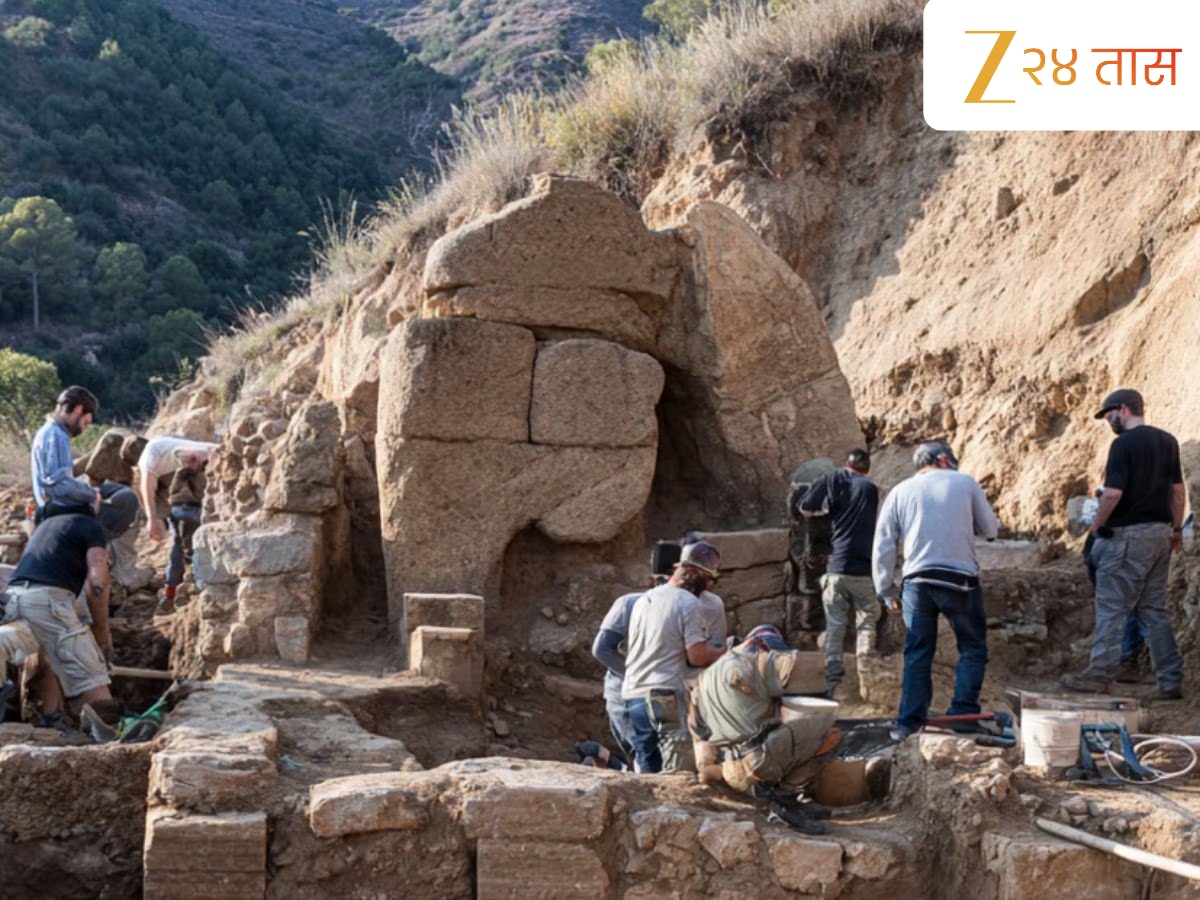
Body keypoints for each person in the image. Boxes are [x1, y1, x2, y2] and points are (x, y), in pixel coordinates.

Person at [872, 441, 1000, 740]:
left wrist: (886, 589)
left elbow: (883, 543)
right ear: (944, 459)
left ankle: (909, 723)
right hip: (959, 580)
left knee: (918, 651)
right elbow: (991, 530)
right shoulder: (964, 482)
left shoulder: (900, 491)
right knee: (972, 646)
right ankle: (962, 715)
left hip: (916, 583)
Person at [1062, 389, 1184, 699]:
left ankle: (1100, 674)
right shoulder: (1168, 441)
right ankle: (1170, 681)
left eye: (1109, 415)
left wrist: (1097, 524)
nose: (1108, 421)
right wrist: (1175, 529)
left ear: (1124, 410)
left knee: (1112, 608)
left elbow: (1113, 494)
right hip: (1160, 534)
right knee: (1154, 610)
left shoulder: (1123, 444)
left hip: (1128, 535)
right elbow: (1177, 491)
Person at [692, 625, 837, 834]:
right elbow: (816, 675)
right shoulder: (757, 663)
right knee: (829, 731)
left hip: (730, 769)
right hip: (757, 762)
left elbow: (698, 735)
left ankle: (773, 795)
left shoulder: (704, 679)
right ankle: (784, 800)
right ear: (762, 646)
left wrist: (707, 769)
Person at [0, 511, 120, 726]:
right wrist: (101, 642)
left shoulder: (46, 535)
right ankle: (108, 731)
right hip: (43, 602)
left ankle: (52, 717)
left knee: (45, 656)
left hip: (15, 600)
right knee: (87, 674)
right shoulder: (89, 530)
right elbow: (97, 587)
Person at [621, 541, 726, 774]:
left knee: (647, 766)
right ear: (697, 573)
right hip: (663, 693)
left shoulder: (645, 599)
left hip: (632, 692)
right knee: (677, 772)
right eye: (710, 579)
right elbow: (697, 656)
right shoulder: (688, 602)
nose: (710, 586)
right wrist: (723, 651)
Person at [797, 449, 880, 698]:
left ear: (847, 464)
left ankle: (833, 681)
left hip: (835, 567)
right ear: (867, 468)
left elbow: (805, 507)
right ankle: (867, 677)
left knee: (835, 625)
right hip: (863, 570)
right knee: (866, 622)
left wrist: (828, 511)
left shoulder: (831, 478)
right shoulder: (871, 488)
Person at [30, 386, 139, 541]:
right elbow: (60, 485)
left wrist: (87, 490)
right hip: (59, 508)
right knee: (128, 502)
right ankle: (93, 545)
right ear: (79, 410)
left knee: (119, 490)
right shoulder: (56, 436)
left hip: (54, 503)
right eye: (87, 419)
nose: (87, 424)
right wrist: (91, 494)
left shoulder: (48, 432)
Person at [591, 590, 644, 765]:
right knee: (641, 752)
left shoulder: (695, 605)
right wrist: (637, 678)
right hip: (627, 691)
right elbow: (602, 650)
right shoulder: (631, 603)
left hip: (660, 691)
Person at [135, 436, 217, 544]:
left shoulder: (148, 455)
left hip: (211, 463)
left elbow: (147, 487)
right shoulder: (163, 448)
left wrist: (151, 519)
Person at [160, 454, 208, 611]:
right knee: (199, 550)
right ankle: (201, 587)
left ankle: (170, 593)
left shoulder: (179, 473)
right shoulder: (203, 472)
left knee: (176, 548)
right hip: (195, 512)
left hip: (177, 511)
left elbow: (172, 495)